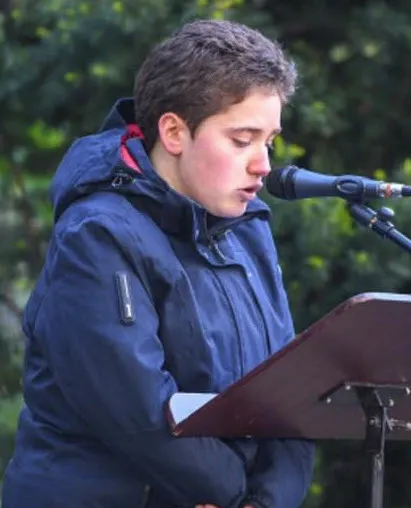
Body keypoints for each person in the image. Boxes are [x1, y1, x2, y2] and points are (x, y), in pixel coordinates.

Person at [1, 19, 315, 508]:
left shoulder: (249, 227)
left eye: (269, 141)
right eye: (242, 139)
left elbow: (289, 395)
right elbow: (139, 416)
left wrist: (265, 502)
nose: (264, 165)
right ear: (173, 132)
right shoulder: (97, 234)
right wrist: (236, 498)